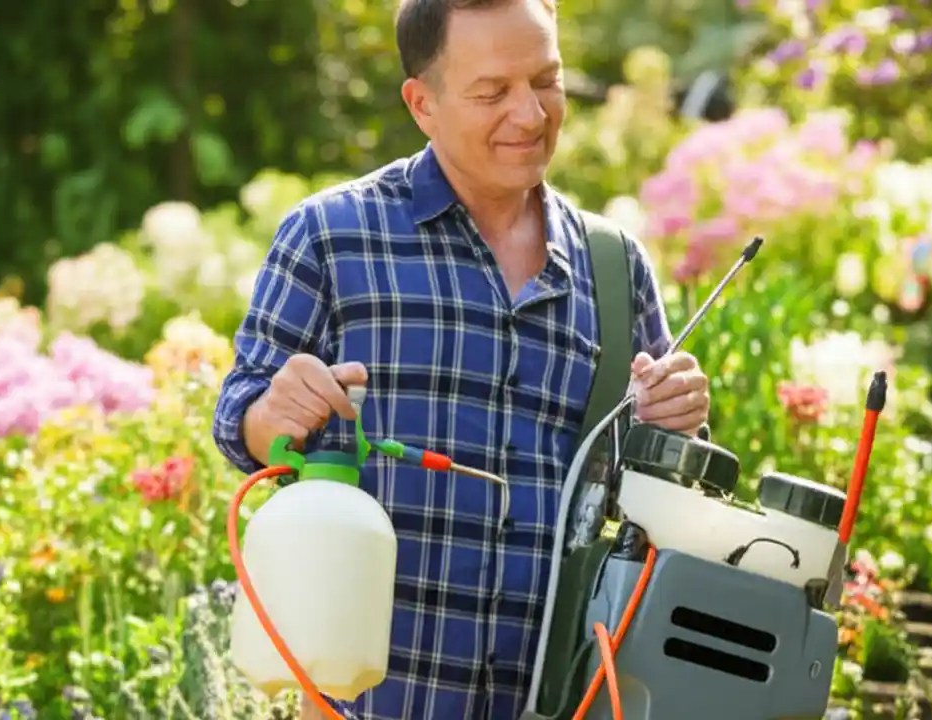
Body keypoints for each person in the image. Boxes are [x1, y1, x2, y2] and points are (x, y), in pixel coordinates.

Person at [211, 0, 711, 717]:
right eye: (492, 91)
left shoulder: (613, 266)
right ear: (423, 103)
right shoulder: (332, 236)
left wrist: (679, 422)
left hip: (554, 700)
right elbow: (239, 418)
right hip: (374, 700)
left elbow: (664, 486)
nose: (532, 115)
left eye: (546, 81)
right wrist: (272, 413)